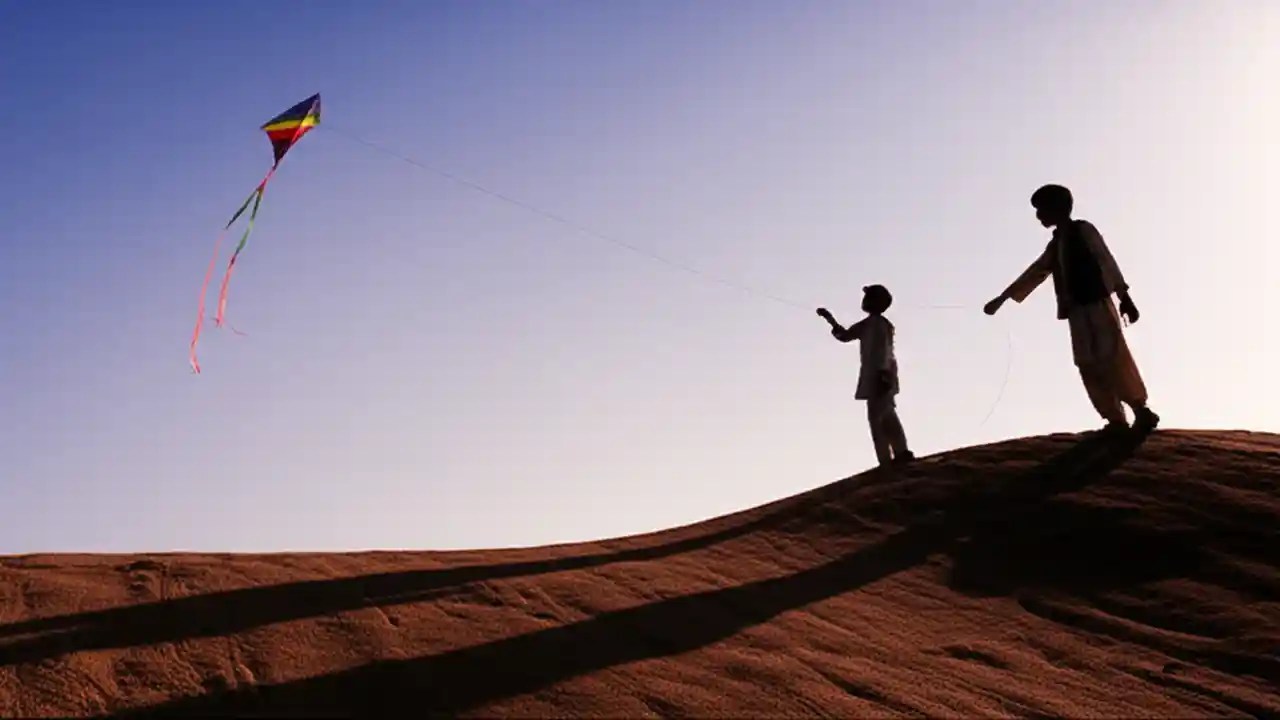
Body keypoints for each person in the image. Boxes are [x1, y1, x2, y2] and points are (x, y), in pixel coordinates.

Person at [984, 184, 1159, 434]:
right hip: (1076, 310)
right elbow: (1036, 272)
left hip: (1097, 302)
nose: (1039, 216)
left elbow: (1105, 259)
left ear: (1057, 208)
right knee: (1087, 362)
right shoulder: (1056, 245)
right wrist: (1003, 298)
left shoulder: (1083, 230)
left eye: (1042, 209)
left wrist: (1124, 295)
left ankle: (1141, 410)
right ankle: (1114, 419)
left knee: (1113, 355)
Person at [817, 285, 915, 467]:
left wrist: (884, 375)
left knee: (878, 418)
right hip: (879, 375)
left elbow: (884, 351)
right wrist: (829, 319)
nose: (864, 300)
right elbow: (845, 335)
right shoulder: (870, 324)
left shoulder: (879, 325)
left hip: (880, 375)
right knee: (886, 414)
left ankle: (888, 459)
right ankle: (900, 453)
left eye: (868, 297)